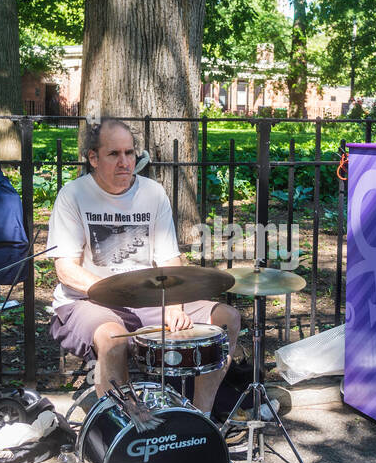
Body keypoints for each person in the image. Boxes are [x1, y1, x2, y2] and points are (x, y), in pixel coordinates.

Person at [47, 118, 241, 415]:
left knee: (227, 317)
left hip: (147, 298)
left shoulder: (152, 193)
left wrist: (175, 303)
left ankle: (200, 419)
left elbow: (168, 259)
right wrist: (113, 293)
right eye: (114, 154)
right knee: (113, 339)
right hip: (87, 301)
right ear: (93, 158)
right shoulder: (73, 195)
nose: (125, 162)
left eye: (129, 152)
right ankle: (126, 427)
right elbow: (66, 270)